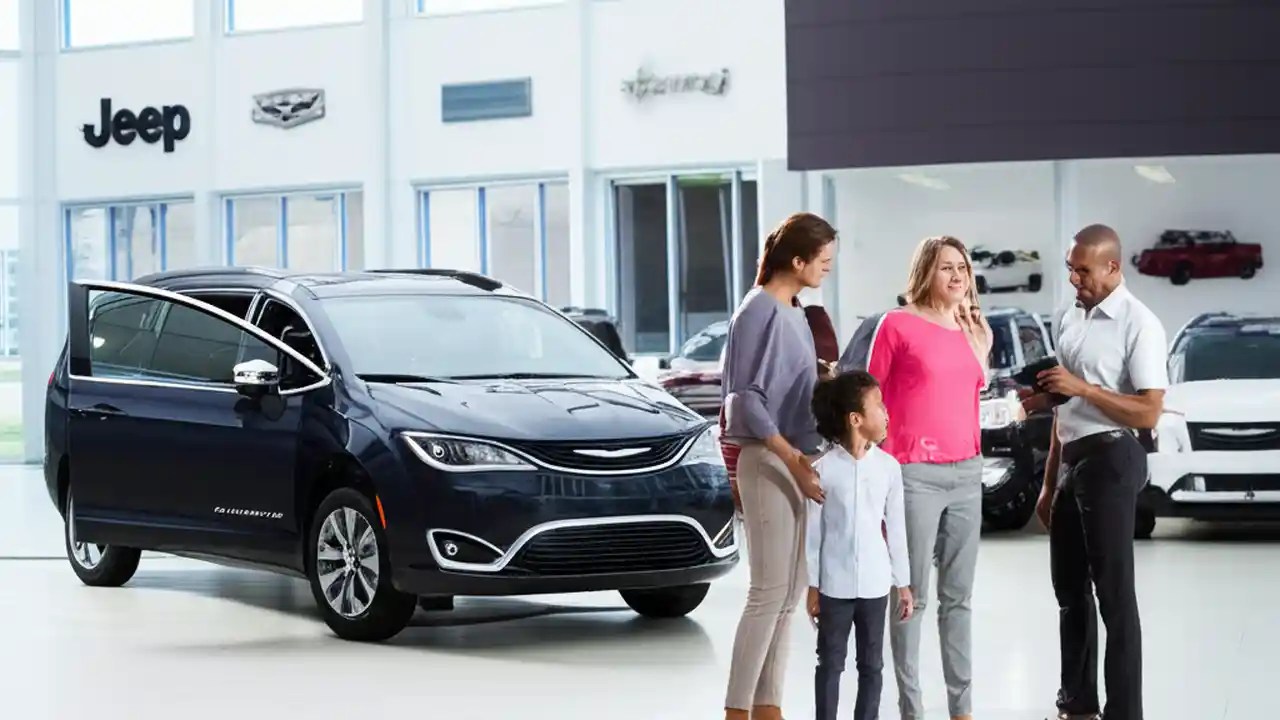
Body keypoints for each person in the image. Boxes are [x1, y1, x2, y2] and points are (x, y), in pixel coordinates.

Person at [836, 236, 991, 720]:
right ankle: (912, 710)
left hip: (967, 471)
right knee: (911, 597)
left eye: (962, 268)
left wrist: (981, 347)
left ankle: (962, 710)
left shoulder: (972, 329)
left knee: (959, 599)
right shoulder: (896, 324)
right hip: (913, 473)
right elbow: (864, 394)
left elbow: (968, 392)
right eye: (946, 267)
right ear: (925, 272)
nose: (957, 276)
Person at [1025, 224, 1167, 720]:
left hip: (1114, 457)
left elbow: (1148, 412)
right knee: (1069, 591)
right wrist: (1048, 483)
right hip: (1071, 461)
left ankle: (1125, 712)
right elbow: (1063, 406)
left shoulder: (1139, 323)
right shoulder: (1072, 318)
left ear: (1113, 266)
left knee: (1113, 595)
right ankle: (1078, 704)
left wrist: (1084, 389)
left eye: (1082, 270)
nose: (1074, 279)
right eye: (1070, 268)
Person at [720, 211, 837, 720]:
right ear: (798, 259)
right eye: (824, 261)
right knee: (767, 593)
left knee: (790, 595)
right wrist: (792, 459)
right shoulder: (757, 310)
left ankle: (769, 707)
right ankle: (737, 710)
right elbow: (744, 400)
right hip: (770, 457)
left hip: (797, 456)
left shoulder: (795, 311)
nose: (828, 269)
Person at [805, 370, 914, 720]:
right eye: (879, 405)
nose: (886, 413)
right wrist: (813, 585)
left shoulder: (888, 468)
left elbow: (896, 529)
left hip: (875, 585)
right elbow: (813, 534)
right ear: (856, 419)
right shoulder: (821, 471)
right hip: (834, 586)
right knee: (830, 663)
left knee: (872, 665)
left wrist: (904, 583)